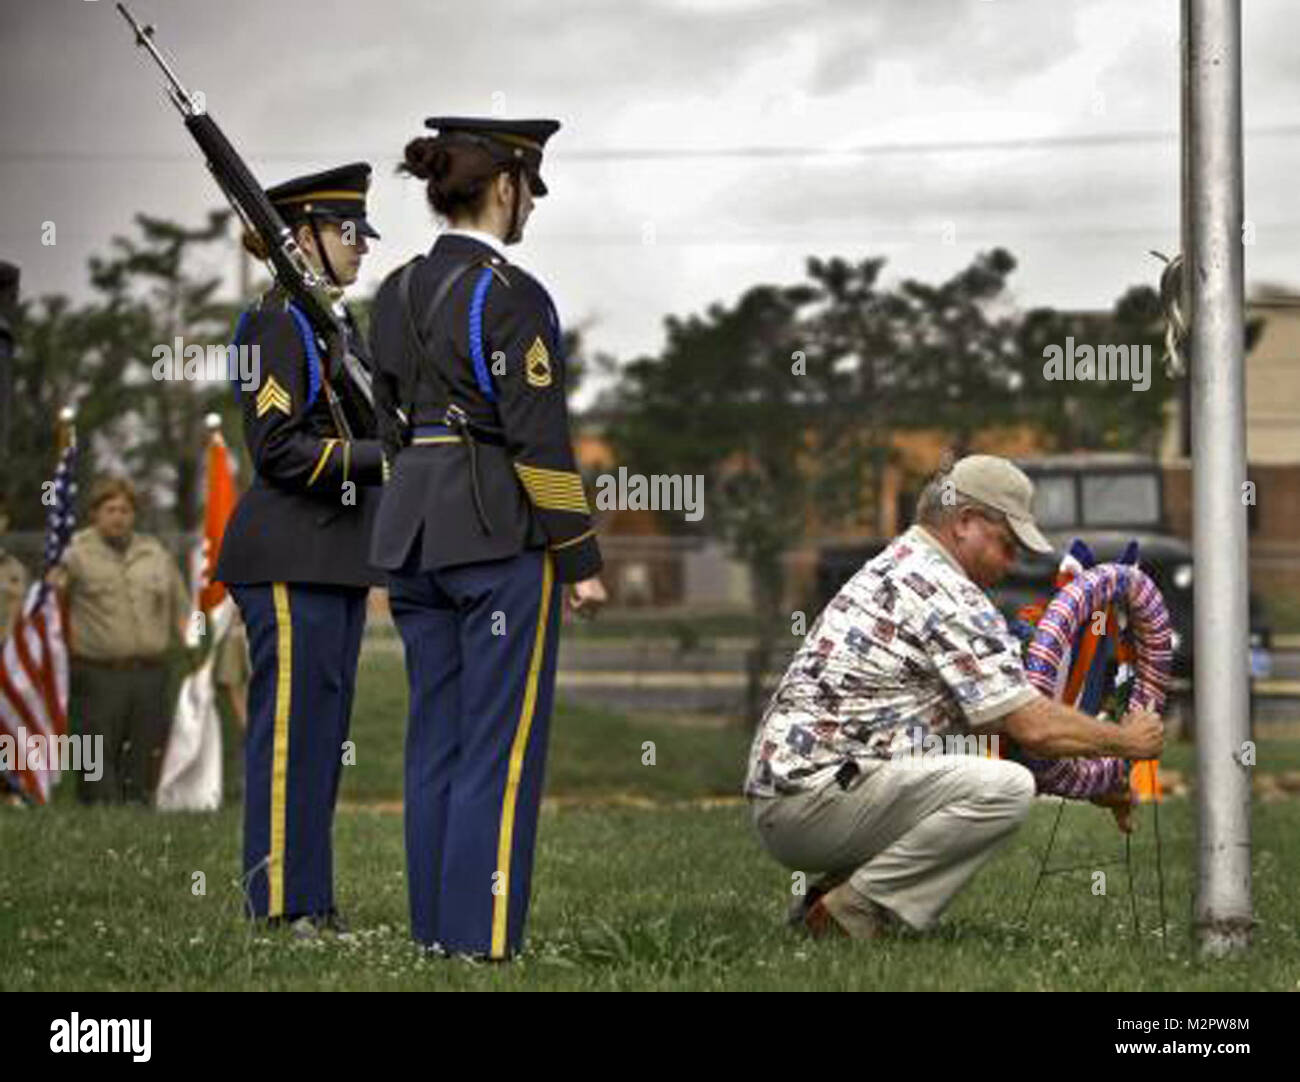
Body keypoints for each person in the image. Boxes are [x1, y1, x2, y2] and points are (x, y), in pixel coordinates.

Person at [745, 455, 1165, 939]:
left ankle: (823, 904)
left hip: (791, 798)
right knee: (1003, 790)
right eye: (1007, 546)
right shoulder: (946, 592)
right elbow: (1031, 727)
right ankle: (854, 911)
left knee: (976, 776)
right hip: (812, 801)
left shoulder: (899, 565)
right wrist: (1124, 740)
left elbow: (1002, 731)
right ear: (965, 523)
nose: (1011, 564)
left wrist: (1095, 784)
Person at [369, 116, 607, 960]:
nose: (531, 207)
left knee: (435, 739)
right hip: (495, 536)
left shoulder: (391, 290)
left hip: (412, 536)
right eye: (528, 190)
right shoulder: (511, 295)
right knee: (498, 751)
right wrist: (578, 556)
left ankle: (436, 935)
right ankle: (482, 940)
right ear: (504, 186)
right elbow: (536, 436)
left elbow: (389, 420)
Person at [214, 162, 387, 935]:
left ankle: (312, 900)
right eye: (350, 234)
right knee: (289, 744)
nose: (362, 249)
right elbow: (278, 450)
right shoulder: (278, 322)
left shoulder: (333, 326)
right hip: (287, 555)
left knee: (322, 744)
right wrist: (387, 459)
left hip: (334, 559)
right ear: (306, 237)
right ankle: (278, 906)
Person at [57, 478, 191, 804]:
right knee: (95, 750)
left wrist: (197, 644)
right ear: (94, 514)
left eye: (126, 510)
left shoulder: (155, 554)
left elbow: (185, 609)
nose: (119, 517)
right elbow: (51, 610)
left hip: (150, 671)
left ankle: (139, 811)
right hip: (97, 671)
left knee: (146, 748)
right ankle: (94, 815)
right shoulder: (74, 555)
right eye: (110, 509)